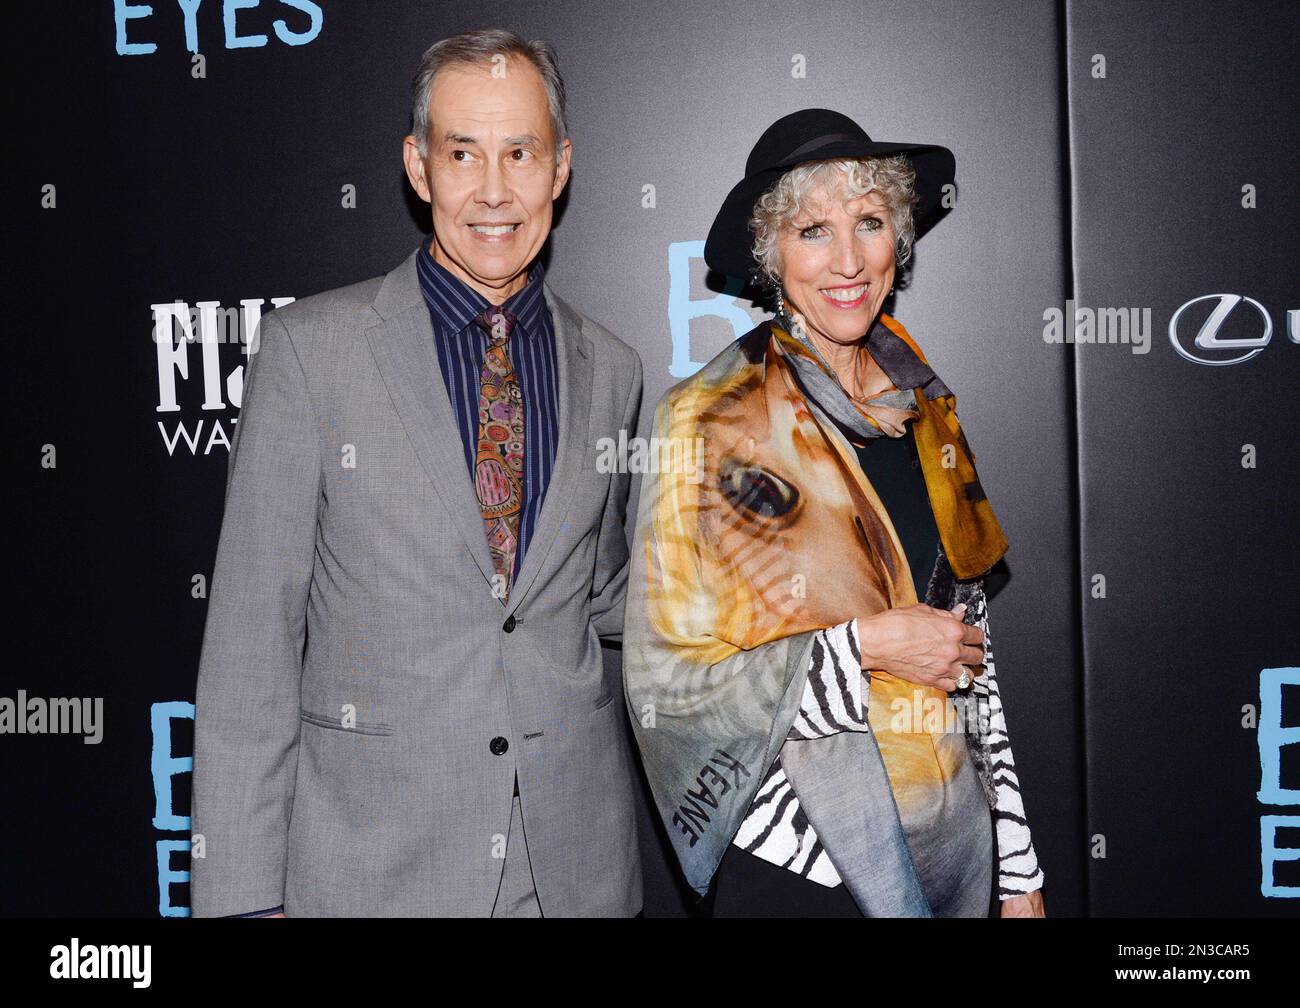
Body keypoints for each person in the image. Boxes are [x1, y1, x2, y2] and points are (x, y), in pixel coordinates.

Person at [191, 28, 644, 917]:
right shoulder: (310, 353)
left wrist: (809, 612)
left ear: (561, 167)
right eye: (462, 151)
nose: (493, 190)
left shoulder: (615, 369)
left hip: (575, 874)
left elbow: (610, 593)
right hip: (376, 873)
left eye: (521, 152)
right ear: (416, 165)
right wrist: (241, 901)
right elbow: (252, 642)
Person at [623, 108, 1045, 917]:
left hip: (954, 847)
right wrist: (867, 647)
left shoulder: (927, 409)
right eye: (813, 230)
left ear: (900, 241)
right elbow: (671, 688)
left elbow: (971, 665)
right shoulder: (709, 420)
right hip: (799, 865)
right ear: (771, 255)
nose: (848, 260)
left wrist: (1019, 870)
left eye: (870, 222)